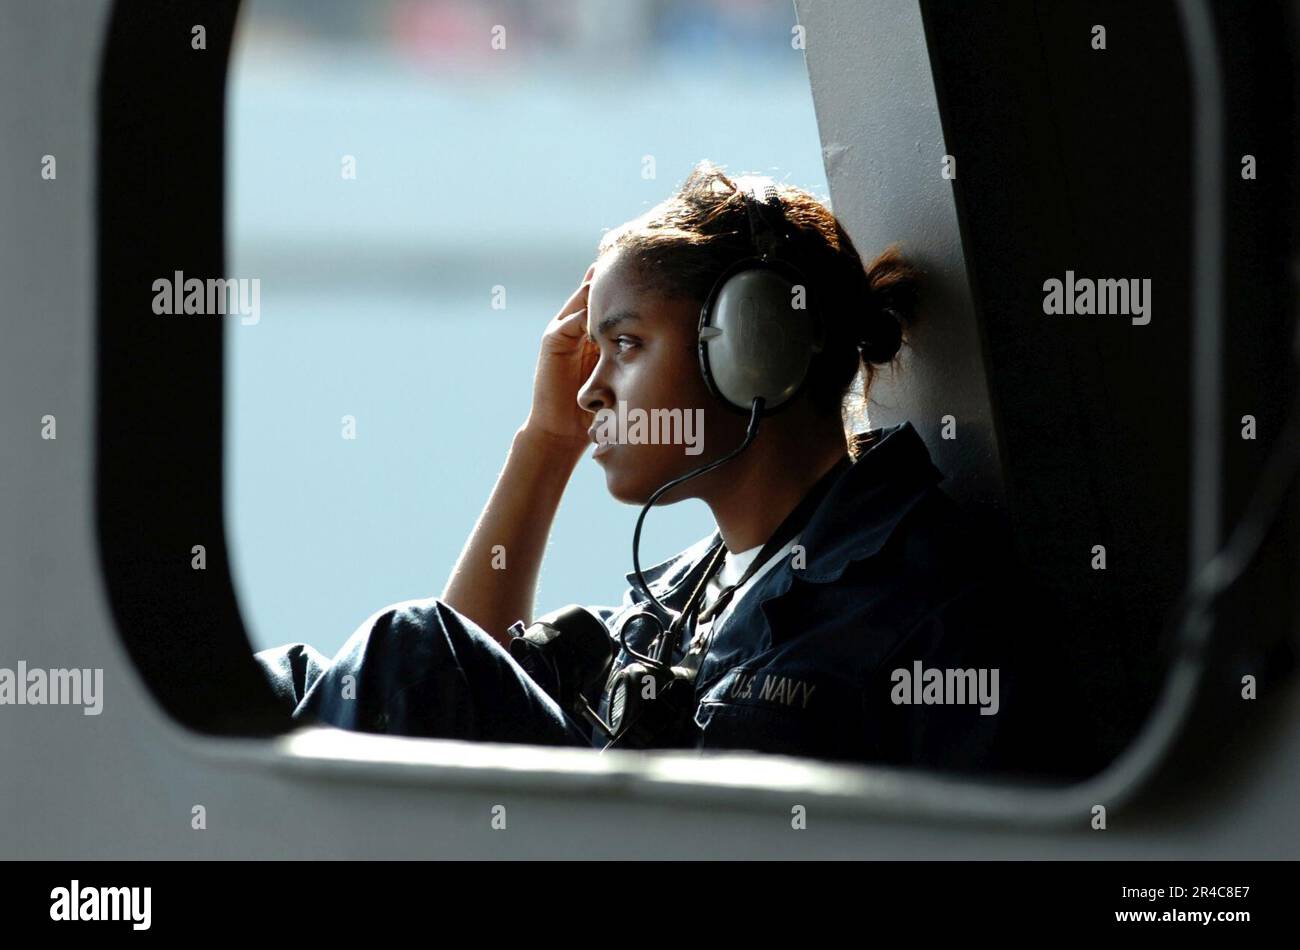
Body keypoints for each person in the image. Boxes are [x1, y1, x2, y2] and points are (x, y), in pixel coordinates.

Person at [254, 160, 1100, 780]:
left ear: (752, 349)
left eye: (623, 344)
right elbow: (465, 705)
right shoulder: (681, 603)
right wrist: (547, 445)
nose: (589, 390)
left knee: (405, 649)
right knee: (282, 685)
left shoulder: (929, 601)